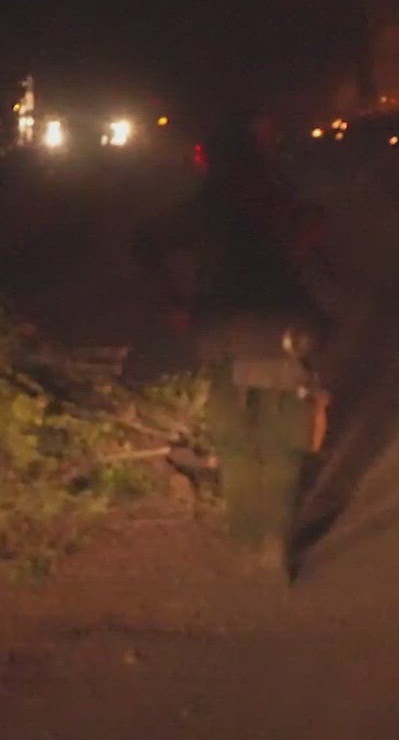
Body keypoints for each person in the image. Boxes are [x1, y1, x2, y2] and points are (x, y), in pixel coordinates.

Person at [134, 104, 332, 580]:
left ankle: (248, 541)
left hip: (222, 332)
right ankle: (273, 545)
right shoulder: (278, 198)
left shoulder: (205, 205)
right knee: (282, 439)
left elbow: (145, 244)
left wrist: (174, 305)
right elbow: (315, 233)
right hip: (284, 330)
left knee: (236, 440)